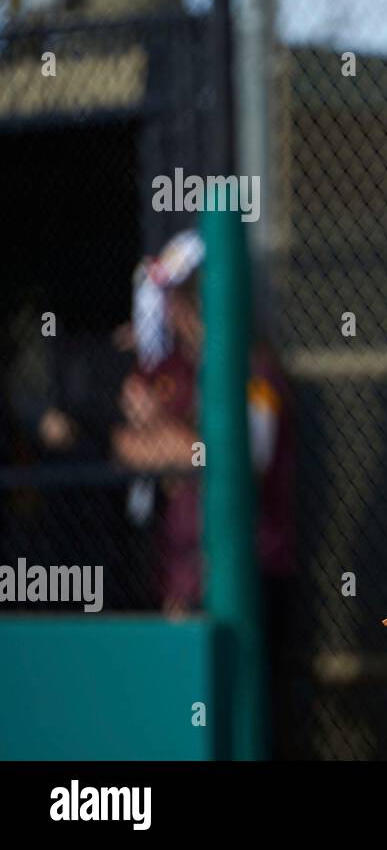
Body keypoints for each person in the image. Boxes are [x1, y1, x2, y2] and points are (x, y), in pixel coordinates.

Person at [111, 229, 297, 756]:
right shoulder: (185, 374)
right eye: (172, 300)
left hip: (252, 575)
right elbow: (125, 445)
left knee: (244, 723)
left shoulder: (256, 370)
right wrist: (174, 443)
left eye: (187, 300)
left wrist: (169, 438)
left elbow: (240, 460)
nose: (175, 314)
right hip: (183, 576)